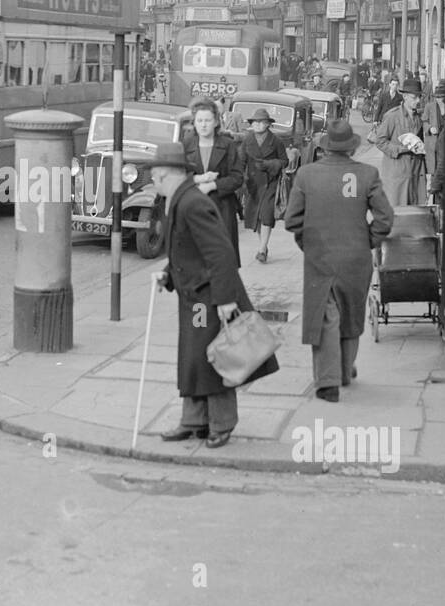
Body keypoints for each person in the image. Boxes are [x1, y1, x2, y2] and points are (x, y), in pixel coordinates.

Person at [150, 143, 271, 449]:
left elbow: (220, 253)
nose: (152, 180)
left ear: (166, 175)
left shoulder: (191, 203)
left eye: (153, 175)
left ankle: (221, 423)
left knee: (214, 358)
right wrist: (169, 273)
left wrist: (226, 300)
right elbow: (187, 249)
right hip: (195, 294)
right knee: (194, 358)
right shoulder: (183, 199)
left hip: (208, 297)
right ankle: (194, 421)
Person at [284, 120, 395, 402]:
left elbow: (292, 220)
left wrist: (306, 243)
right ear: (351, 148)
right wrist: (367, 240)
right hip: (356, 259)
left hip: (320, 257)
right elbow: (385, 218)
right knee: (350, 313)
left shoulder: (307, 175)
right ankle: (345, 371)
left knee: (325, 316)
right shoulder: (368, 174)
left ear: (325, 147)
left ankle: (328, 382)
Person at [182, 97, 244, 265]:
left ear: (216, 122)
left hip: (222, 209)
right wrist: (197, 179)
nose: (203, 125)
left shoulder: (228, 145)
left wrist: (212, 185)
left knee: (222, 263)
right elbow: (179, 177)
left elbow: (237, 177)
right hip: (194, 209)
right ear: (193, 122)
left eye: (208, 120)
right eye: (199, 120)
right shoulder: (187, 145)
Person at [239, 108, 288, 263]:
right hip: (253, 184)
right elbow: (241, 161)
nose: (257, 125)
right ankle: (263, 246)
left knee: (266, 214)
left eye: (261, 122)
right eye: (255, 122)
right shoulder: (247, 140)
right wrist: (241, 176)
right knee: (257, 217)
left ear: (267, 124)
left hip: (270, 182)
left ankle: (261, 250)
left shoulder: (276, 141)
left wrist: (270, 164)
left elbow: (284, 161)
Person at [373, 78, 426, 205]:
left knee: (414, 215)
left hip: (415, 176)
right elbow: (379, 141)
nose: (418, 101)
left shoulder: (418, 118)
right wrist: (401, 149)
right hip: (397, 177)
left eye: (419, 97)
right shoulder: (393, 116)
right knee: (398, 216)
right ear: (405, 97)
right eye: (415, 97)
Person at [424, 79, 445, 184]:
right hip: (433, 143)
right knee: (434, 170)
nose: (438, 99)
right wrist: (429, 128)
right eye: (437, 97)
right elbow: (424, 121)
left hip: (444, 143)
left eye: (441, 97)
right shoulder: (429, 106)